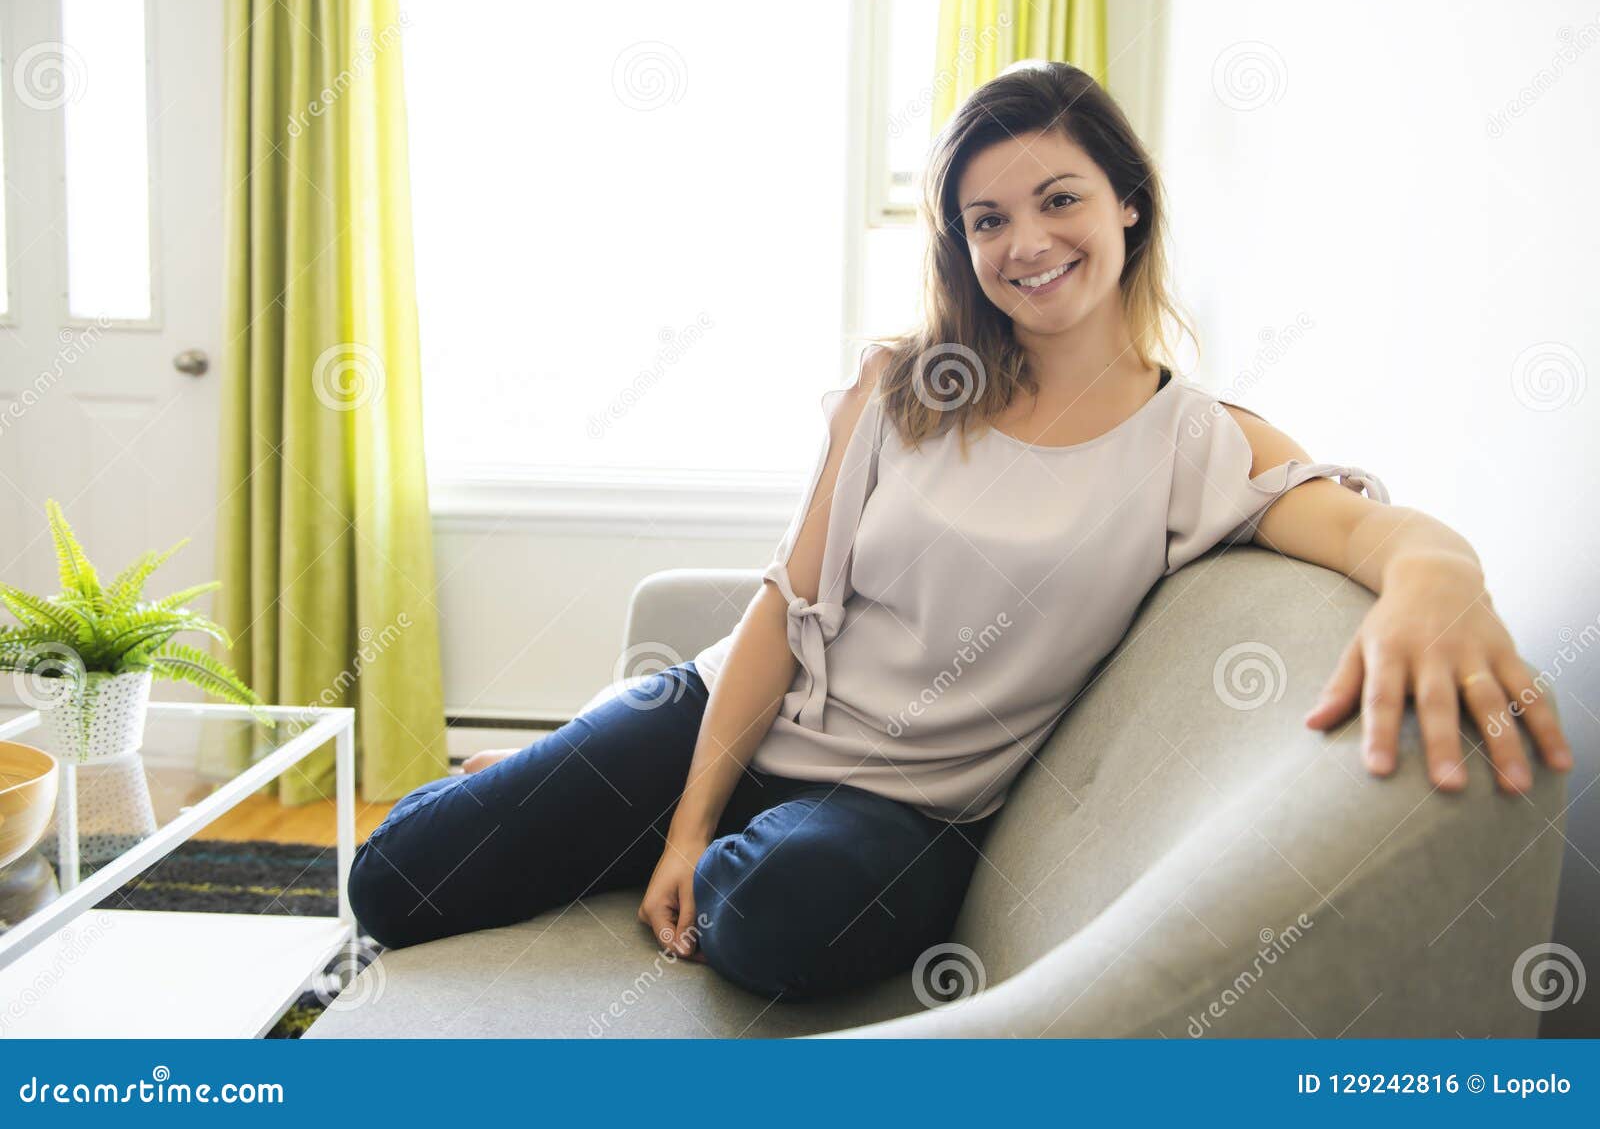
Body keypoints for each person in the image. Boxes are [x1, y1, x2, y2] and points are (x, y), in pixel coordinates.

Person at [347, 62, 1572, 1003]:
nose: (1024, 244)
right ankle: (538, 791)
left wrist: (1440, 571)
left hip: (901, 811)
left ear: (1130, 206)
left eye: (1056, 199)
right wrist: (679, 819)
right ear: (959, 243)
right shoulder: (901, 386)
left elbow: (1372, 534)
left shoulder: (1194, 440)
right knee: (393, 883)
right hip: (721, 717)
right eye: (985, 220)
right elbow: (784, 606)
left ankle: (653, 832)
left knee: (783, 916)